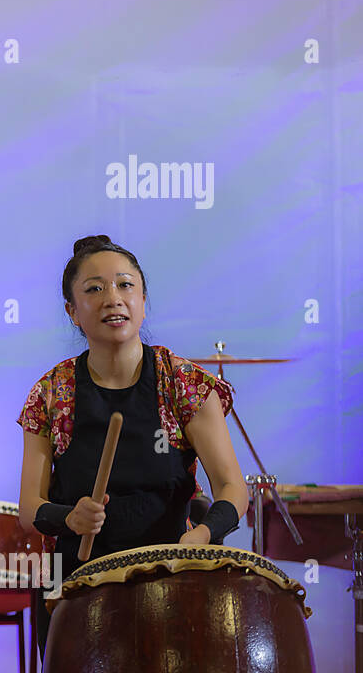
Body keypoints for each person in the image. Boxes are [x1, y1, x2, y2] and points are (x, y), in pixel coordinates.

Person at [17, 235, 249, 591]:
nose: (113, 299)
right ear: (72, 311)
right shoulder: (51, 392)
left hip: (170, 575)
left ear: (142, 301)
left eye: (125, 285)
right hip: (78, 584)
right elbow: (29, 509)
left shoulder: (181, 382)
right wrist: (71, 517)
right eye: (94, 289)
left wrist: (202, 534)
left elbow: (232, 487)